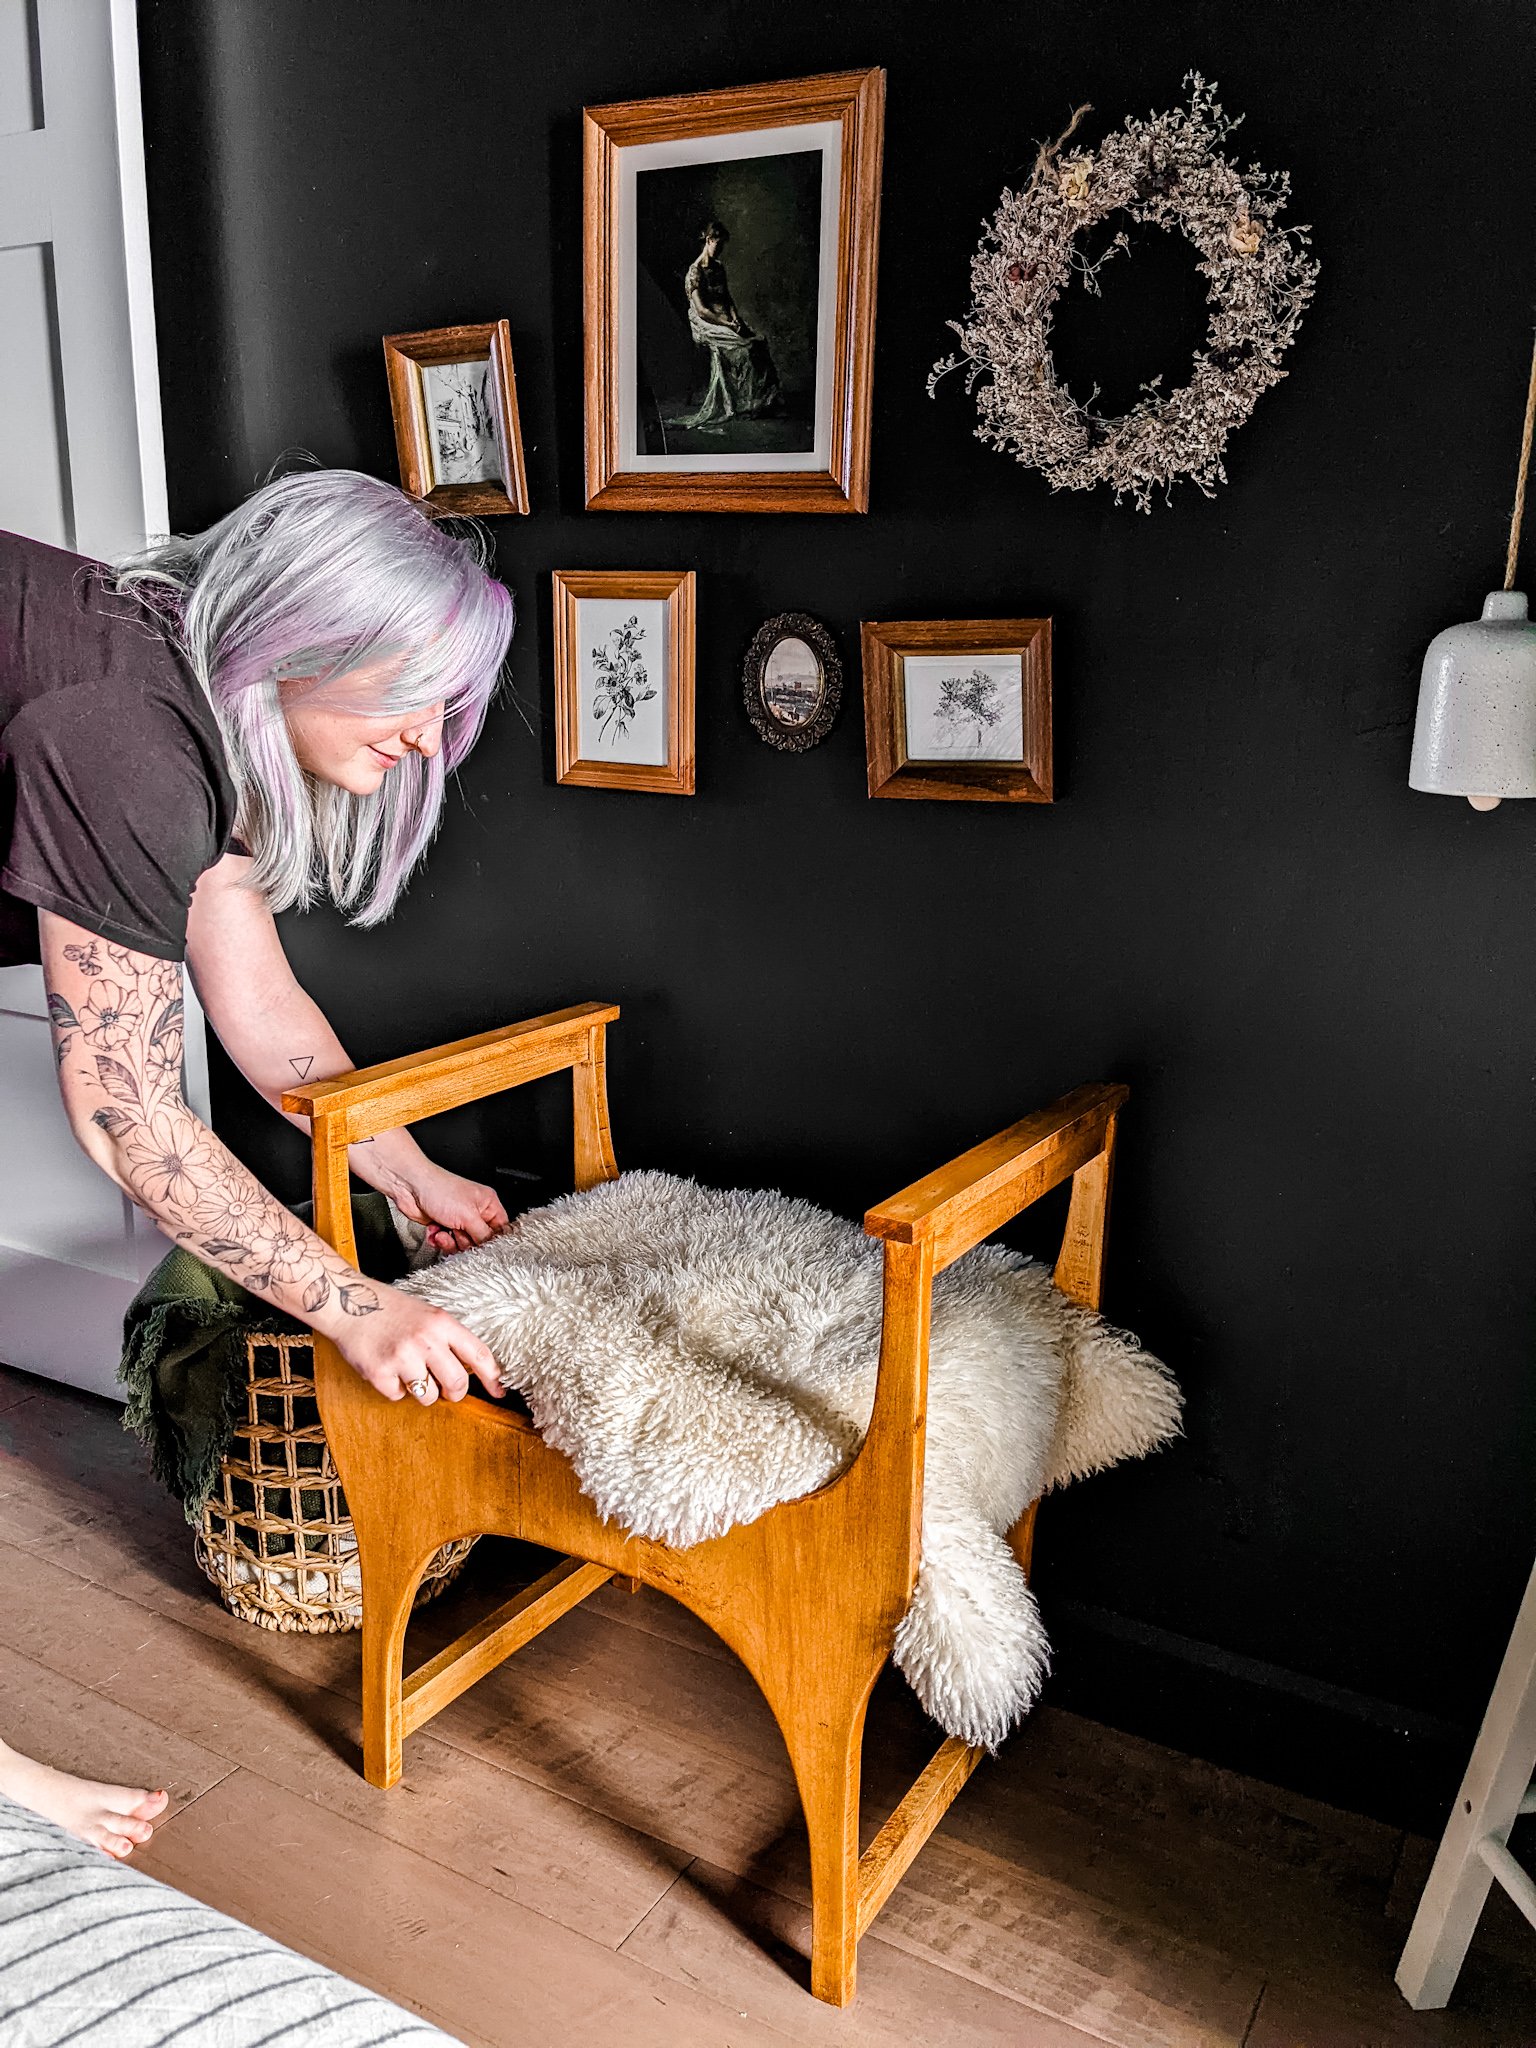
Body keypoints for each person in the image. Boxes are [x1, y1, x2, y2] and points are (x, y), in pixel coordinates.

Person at [0, 468, 519, 1851]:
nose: (428, 735)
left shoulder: (188, 708)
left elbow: (264, 1015)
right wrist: (355, 1307)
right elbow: (129, 1113)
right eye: (405, 688)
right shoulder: (127, 734)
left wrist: (405, 1172)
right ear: (302, 643)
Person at [676, 219, 783, 431]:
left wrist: (736, 320)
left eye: (724, 245)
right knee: (745, 348)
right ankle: (744, 403)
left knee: (758, 342)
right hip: (704, 321)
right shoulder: (695, 272)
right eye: (719, 244)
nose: (721, 249)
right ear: (708, 240)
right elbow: (702, 311)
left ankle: (762, 401)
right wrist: (727, 324)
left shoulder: (718, 268)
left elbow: (728, 299)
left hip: (723, 316)